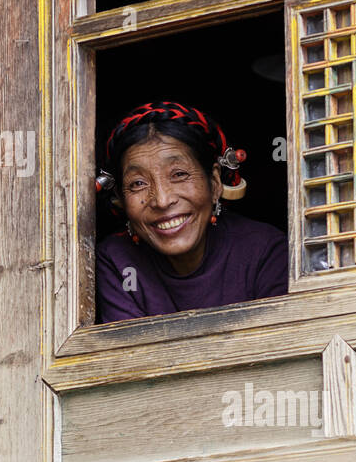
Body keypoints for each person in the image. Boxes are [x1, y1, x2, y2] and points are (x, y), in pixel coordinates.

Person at [95, 101, 288, 323]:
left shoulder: (265, 251)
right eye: (138, 183)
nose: (162, 200)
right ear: (121, 197)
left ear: (214, 183)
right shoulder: (116, 260)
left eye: (179, 174)